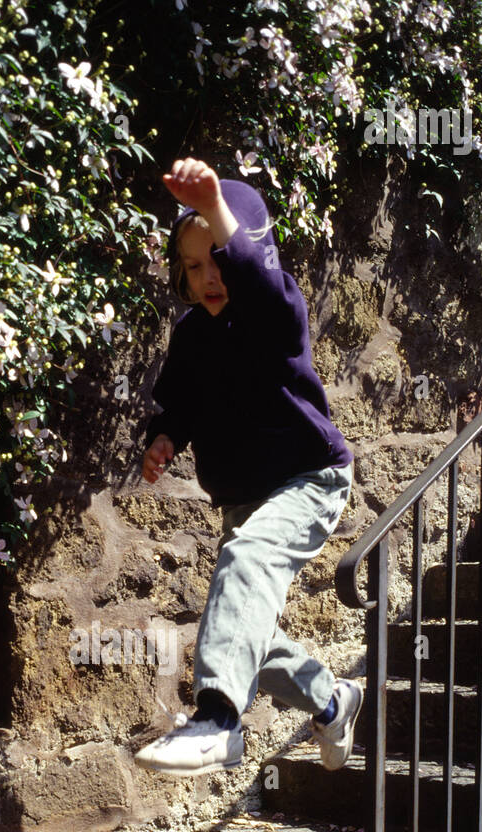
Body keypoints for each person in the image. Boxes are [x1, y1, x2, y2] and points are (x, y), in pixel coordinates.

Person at [134, 156, 363, 777]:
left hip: (310, 477)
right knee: (244, 630)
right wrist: (165, 438)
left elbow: (258, 279)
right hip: (242, 498)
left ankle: (217, 721)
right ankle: (334, 699)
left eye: (219, 258)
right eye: (194, 266)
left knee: (246, 565)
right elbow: (181, 404)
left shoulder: (274, 312)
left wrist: (213, 207)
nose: (210, 276)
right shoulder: (190, 336)